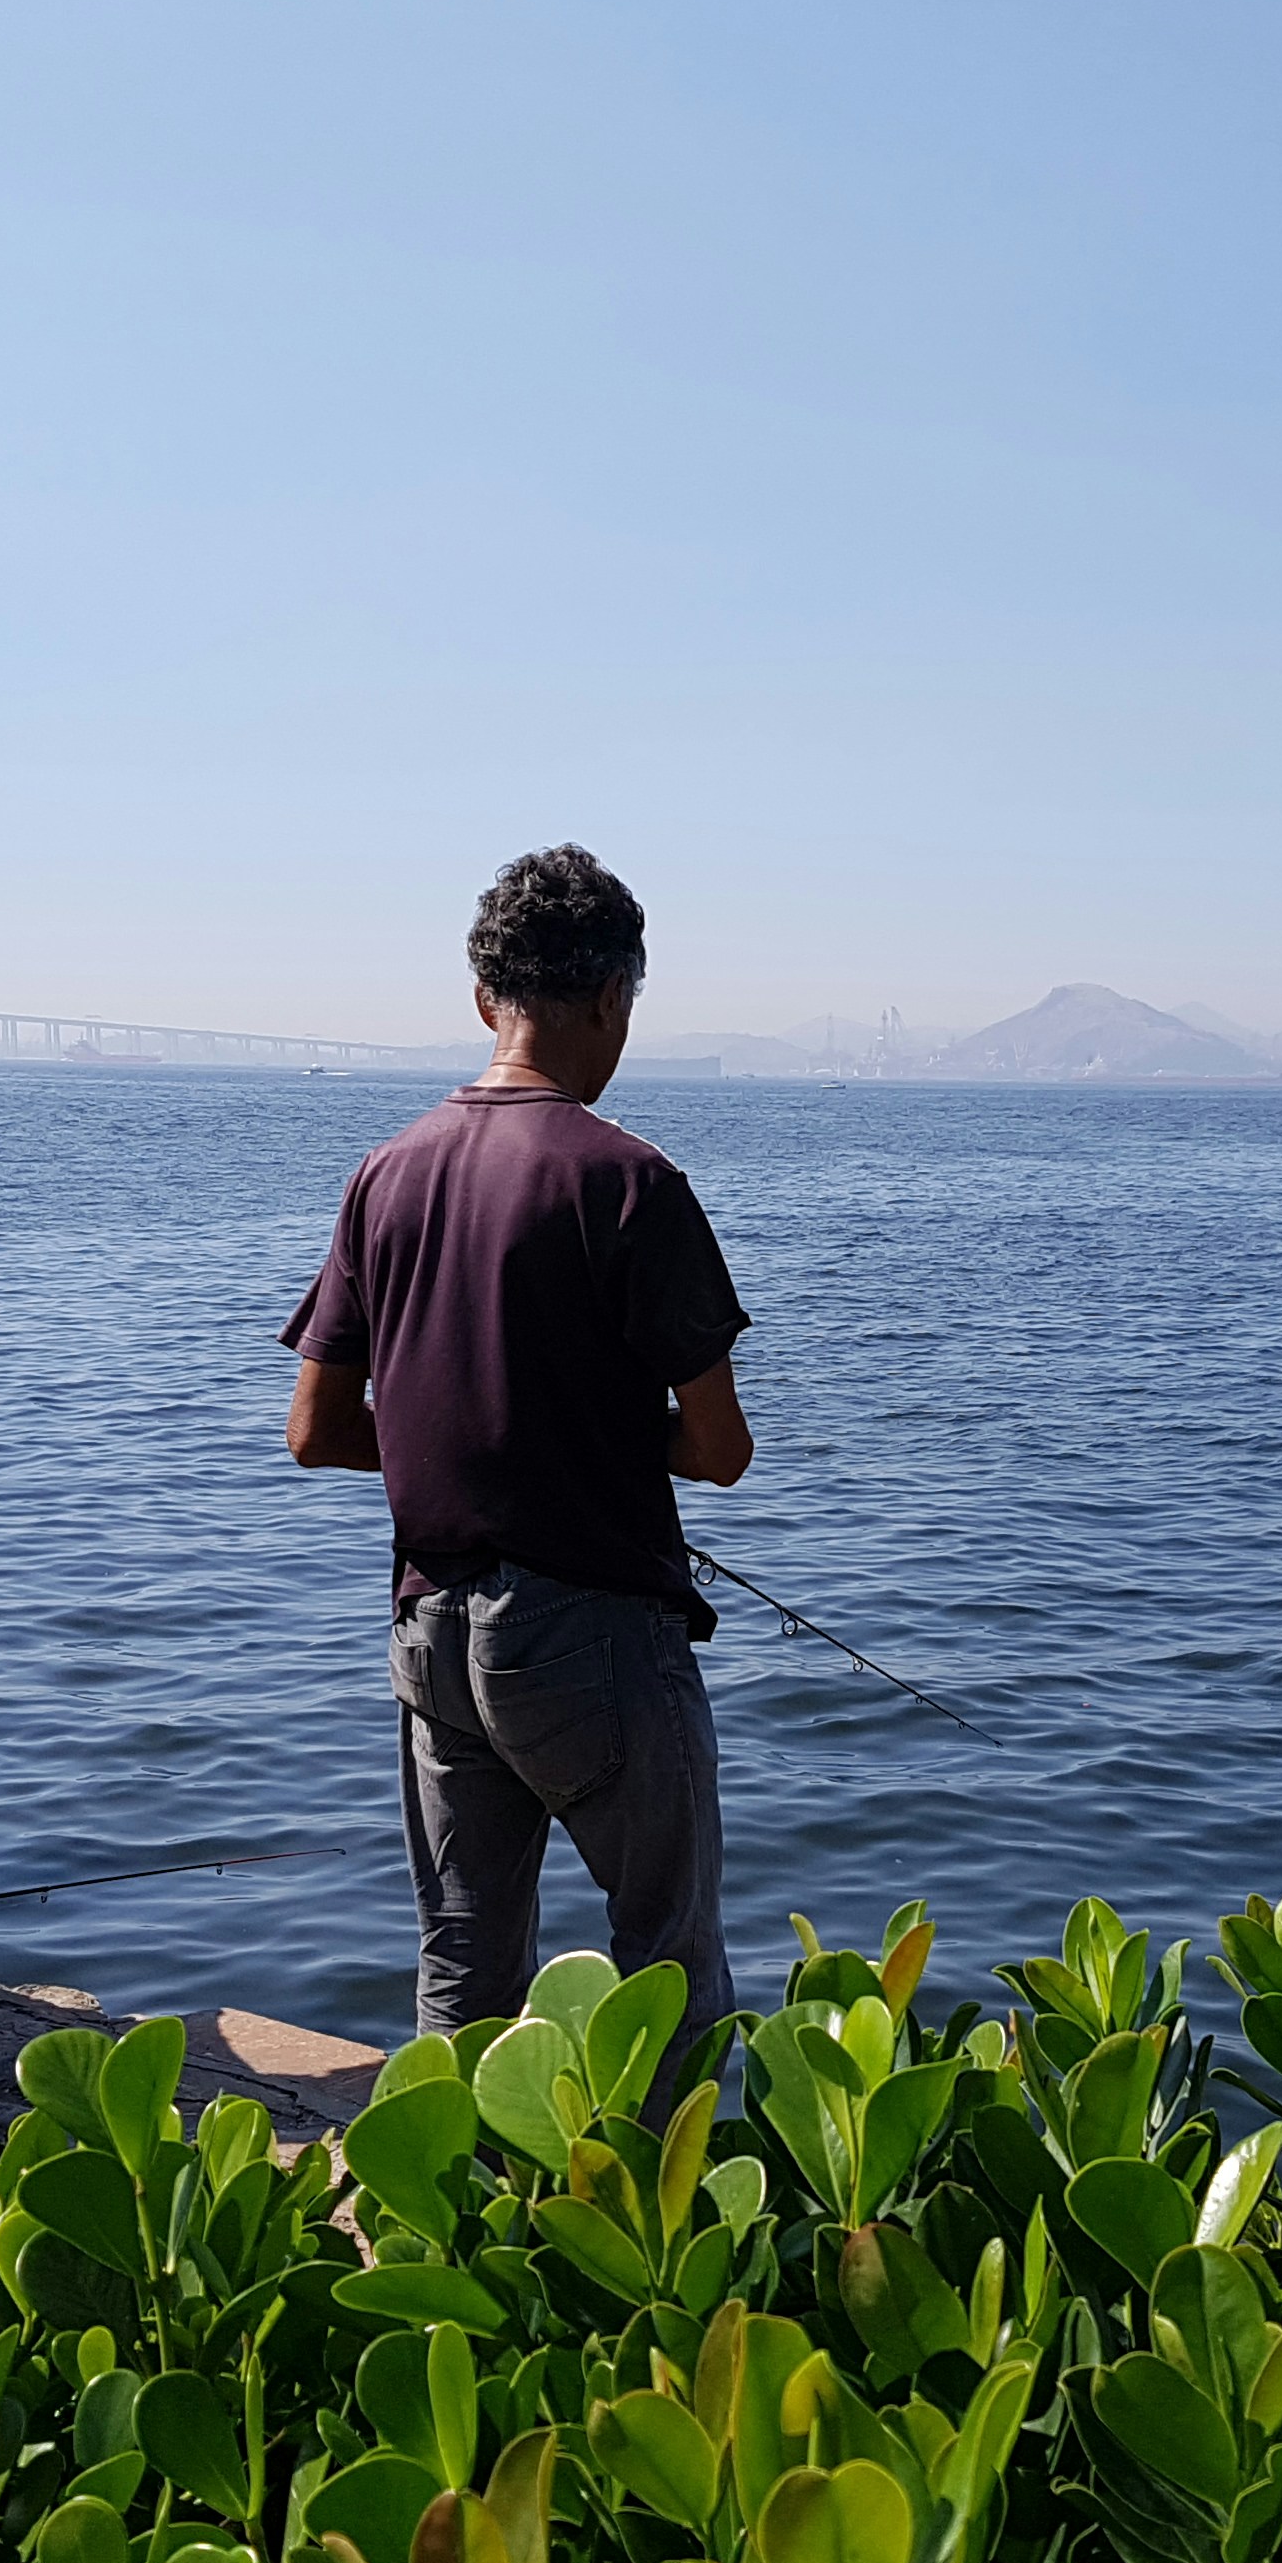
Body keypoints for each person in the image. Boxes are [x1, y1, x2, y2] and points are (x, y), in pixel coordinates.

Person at [286, 846, 756, 2064]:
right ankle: (663, 2245)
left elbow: (318, 1432)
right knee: (670, 1968)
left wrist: (484, 1438)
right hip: (597, 1637)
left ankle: (445, 2227)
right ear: (612, 998)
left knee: (462, 1959)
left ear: (483, 995)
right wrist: (588, 1438)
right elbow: (719, 1448)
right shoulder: (631, 1183)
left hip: (430, 1634)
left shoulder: (384, 1177)